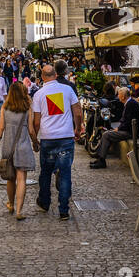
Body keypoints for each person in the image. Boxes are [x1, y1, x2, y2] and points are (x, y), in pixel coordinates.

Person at [31, 63, 82, 219]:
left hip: (48, 138)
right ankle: (64, 210)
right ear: (55, 74)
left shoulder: (39, 94)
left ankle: (45, 202)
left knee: (45, 173)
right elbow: (78, 112)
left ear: (42, 77)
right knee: (65, 174)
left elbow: (37, 122)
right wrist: (78, 129)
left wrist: (35, 139)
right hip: (66, 137)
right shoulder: (67, 90)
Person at [0, 81, 36, 219]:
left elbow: (0, 129)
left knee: (10, 178)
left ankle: (11, 204)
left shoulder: (5, 108)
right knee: (21, 179)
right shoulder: (27, 109)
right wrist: (36, 143)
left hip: (8, 147)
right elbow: (31, 130)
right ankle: (19, 211)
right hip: (24, 147)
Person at [88, 86, 139, 169]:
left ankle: (101, 160)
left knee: (106, 135)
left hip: (132, 132)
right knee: (107, 134)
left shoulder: (130, 104)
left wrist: (118, 128)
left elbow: (127, 122)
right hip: (131, 130)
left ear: (123, 96)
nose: (118, 97)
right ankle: (100, 158)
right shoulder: (130, 103)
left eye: (119, 95)